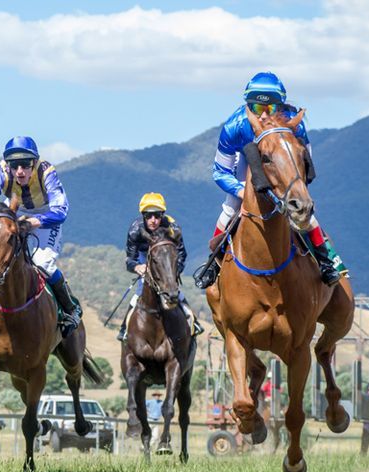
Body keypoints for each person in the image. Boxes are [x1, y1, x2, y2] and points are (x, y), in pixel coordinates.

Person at [194, 71, 346, 289]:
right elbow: (220, 172)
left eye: (270, 108)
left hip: (282, 167)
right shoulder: (234, 126)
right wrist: (241, 192)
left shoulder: (295, 124)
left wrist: (291, 189)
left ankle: (325, 261)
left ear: (280, 106)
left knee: (304, 210)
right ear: (248, 106)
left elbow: (305, 162)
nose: (263, 116)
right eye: (257, 108)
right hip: (247, 162)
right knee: (230, 208)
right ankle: (213, 265)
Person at [0, 136, 82, 335]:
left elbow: (61, 211)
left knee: (43, 263)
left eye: (25, 165)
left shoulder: (47, 172)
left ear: (34, 162)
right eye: (14, 165)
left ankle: (70, 309)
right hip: (13, 214)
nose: (19, 171)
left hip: (45, 218)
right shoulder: (2, 171)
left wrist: (34, 221)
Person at [117, 192, 202, 341]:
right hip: (145, 256)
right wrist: (137, 267)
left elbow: (182, 255)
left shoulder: (172, 228)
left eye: (157, 215)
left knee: (172, 287)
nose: (153, 220)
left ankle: (192, 319)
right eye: (148, 216)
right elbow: (130, 259)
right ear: (143, 216)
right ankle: (125, 328)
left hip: (167, 257)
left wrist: (172, 273)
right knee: (141, 287)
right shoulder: (135, 230)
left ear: (163, 215)